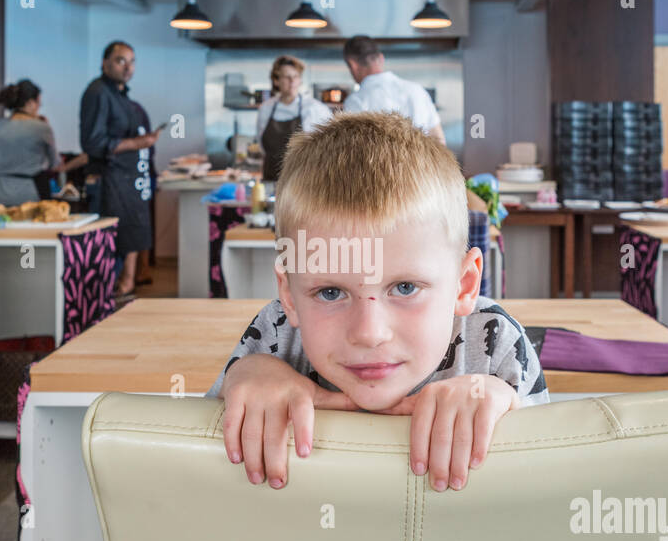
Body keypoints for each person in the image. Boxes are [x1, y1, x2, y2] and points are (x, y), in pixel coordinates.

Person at [204, 111, 549, 493]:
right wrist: (247, 375)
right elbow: (203, 463)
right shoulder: (275, 334)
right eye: (331, 293)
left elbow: (554, 472)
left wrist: (503, 403)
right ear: (289, 294)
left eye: (404, 288)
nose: (369, 334)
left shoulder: (496, 343)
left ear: (464, 285)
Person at [80, 41, 159, 301]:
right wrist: (139, 143)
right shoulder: (98, 92)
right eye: (120, 60)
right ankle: (99, 305)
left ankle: (122, 291)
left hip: (128, 181)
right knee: (110, 248)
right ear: (105, 63)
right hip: (109, 182)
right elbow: (93, 143)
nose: (128, 67)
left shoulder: (121, 94)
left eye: (132, 61)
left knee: (129, 238)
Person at [341, 34, 444, 142]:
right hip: (423, 159)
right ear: (381, 58)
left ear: (353, 65)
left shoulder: (356, 101)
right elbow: (439, 140)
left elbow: (353, 150)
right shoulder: (417, 90)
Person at [256, 54, 332, 182]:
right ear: (276, 80)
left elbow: (329, 147)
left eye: (296, 76)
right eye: (286, 77)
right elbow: (261, 145)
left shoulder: (315, 108)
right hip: (271, 180)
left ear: (300, 80)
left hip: (303, 184)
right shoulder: (265, 109)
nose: (292, 81)